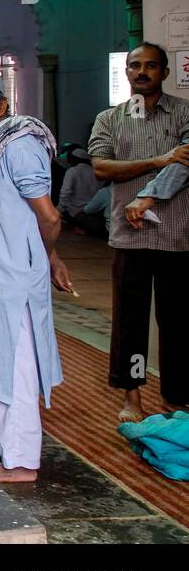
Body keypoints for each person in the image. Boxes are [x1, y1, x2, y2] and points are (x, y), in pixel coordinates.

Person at [0, 71, 70, 484]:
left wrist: (43, 258)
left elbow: (49, 216)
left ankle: (22, 461)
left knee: (18, 365)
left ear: (2, 106)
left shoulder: (20, 146)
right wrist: (50, 256)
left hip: (16, 279)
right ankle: (4, 442)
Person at [90, 42, 189, 420]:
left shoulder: (183, 113)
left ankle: (176, 397)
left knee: (178, 321)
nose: (141, 72)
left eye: (150, 66)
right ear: (126, 72)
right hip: (129, 234)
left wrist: (145, 193)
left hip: (177, 234)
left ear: (164, 72)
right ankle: (131, 396)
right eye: (135, 66)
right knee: (129, 321)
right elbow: (101, 168)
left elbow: (187, 163)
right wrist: (159, 160)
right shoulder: (110, 119)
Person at [58, 148, 100, 220]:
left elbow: (65, 192)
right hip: (93, 210)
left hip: (74, 211)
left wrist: (60, 208)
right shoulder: (95, 172)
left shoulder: (72, 171)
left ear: (75, 159)